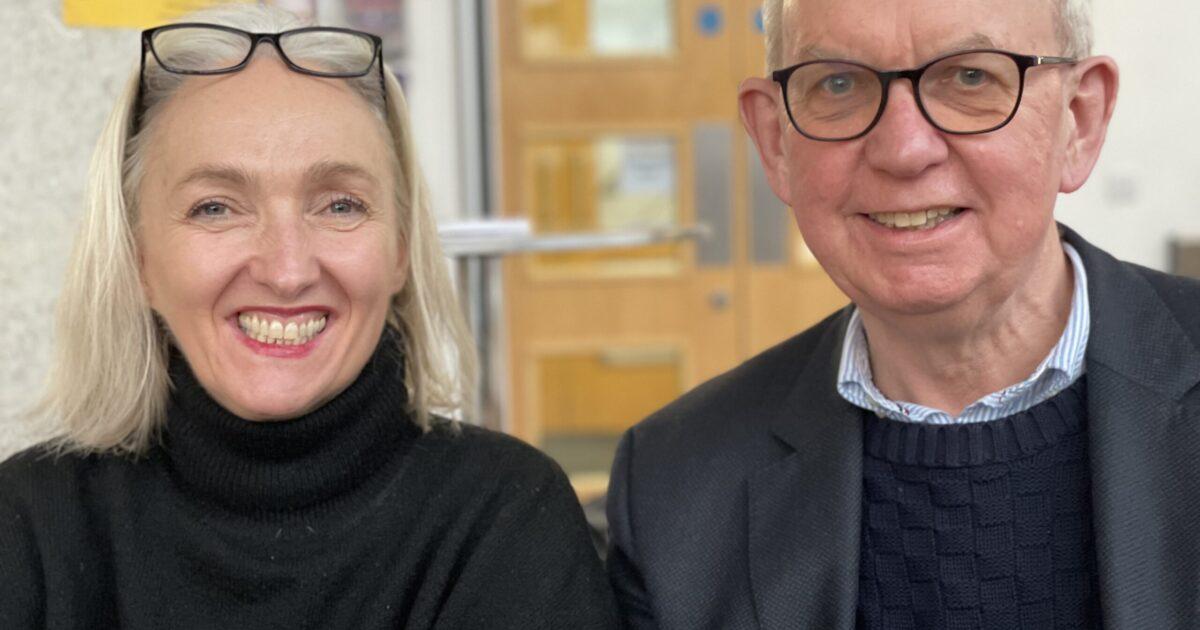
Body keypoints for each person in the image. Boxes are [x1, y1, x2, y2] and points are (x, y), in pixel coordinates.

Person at [0, 5, 617, 629]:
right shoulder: (29, 527)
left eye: (340, 205)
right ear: (138, 260)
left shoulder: (504, 518)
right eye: (216, 208)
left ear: (400, 250)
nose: (287, 270)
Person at [607, 0, 1198, 628]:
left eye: (971, 77)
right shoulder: (676, 488)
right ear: (776, 142)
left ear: (1078, 120)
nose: (904, 149)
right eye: (838, 83)